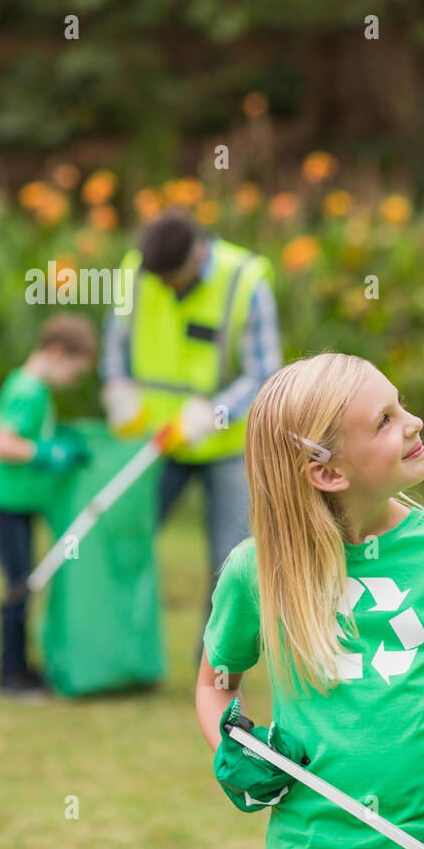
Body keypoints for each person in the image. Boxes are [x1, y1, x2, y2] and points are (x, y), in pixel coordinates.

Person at [194, 354, 424, 849]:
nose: (415, 423)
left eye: (401, 406)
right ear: (327, 474)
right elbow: (214, 683)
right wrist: (234, 745)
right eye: (385, 421)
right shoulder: (257, 570)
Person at [99, 208, 282, 664]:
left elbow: (266, 373)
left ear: (198, 253)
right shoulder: (134, 272)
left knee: (230, 560)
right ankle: (115, 652)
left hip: (224, 444)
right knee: (124, 536)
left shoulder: (245, 280)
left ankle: (214, 668)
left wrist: (215, 412)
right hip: (155, 440)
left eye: (172, 279)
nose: (164, 287)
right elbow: (115, 345)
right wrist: (117, 388)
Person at [0, 312, 98, 696]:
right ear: (57, 353)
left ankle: (20, 667)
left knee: (26, 582)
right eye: (74, 372)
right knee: (19, 586)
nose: (72, 381)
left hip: (18, 504)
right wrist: (44, 451)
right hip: (4, 504)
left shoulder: (25, 385)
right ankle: (9, 676)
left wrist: (47, 441)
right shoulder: (28, 390)